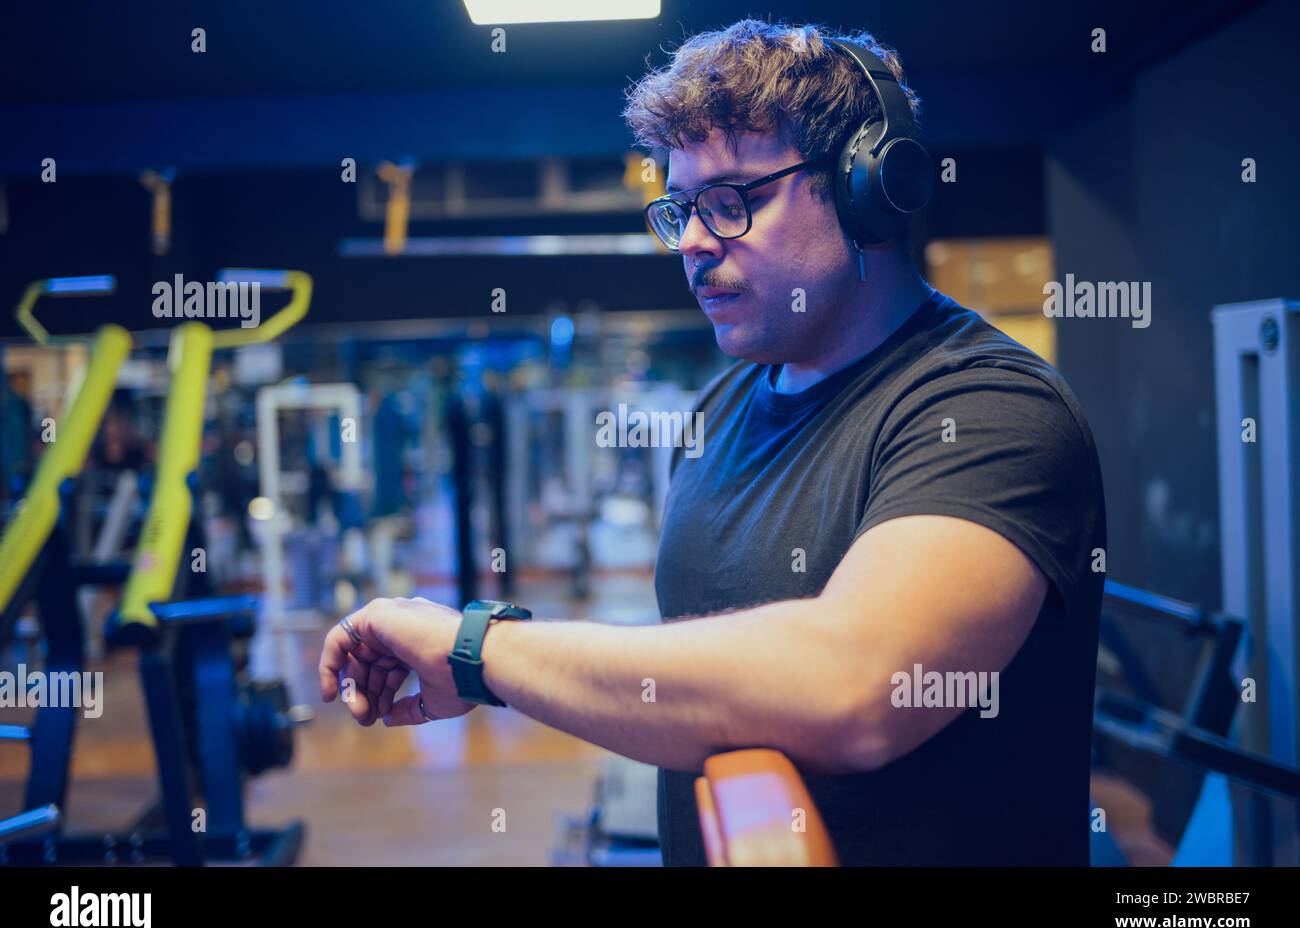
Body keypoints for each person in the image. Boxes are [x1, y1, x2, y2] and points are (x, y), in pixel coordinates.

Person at [318, 20, 1106, 866]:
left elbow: (857, 686)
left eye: (732, 200)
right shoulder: (722, 406)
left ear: (866, 190)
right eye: (682, 209)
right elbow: (705, 675)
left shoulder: (990, 408)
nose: (693, 239)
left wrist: (481, 650)